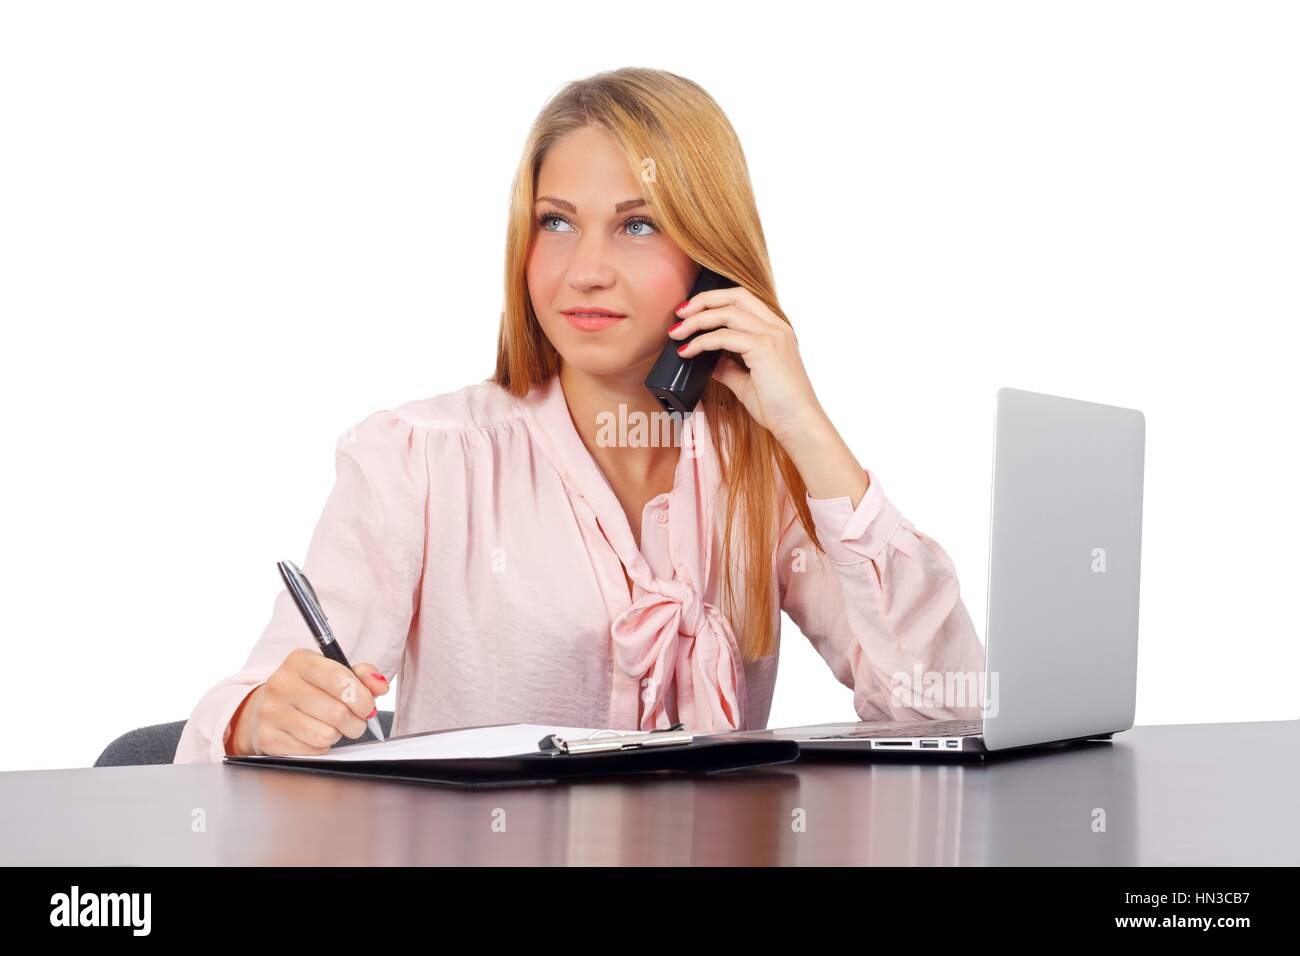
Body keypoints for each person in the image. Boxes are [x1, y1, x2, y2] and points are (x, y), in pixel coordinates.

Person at [174, 67, 984, 763]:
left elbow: (943, 706)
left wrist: (805, 425)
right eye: (556, 223)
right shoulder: (418, 460)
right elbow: (242, 718)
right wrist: (256, 719)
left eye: (637, 226)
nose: (585, 270)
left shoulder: (760, 473)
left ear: (710, 259)